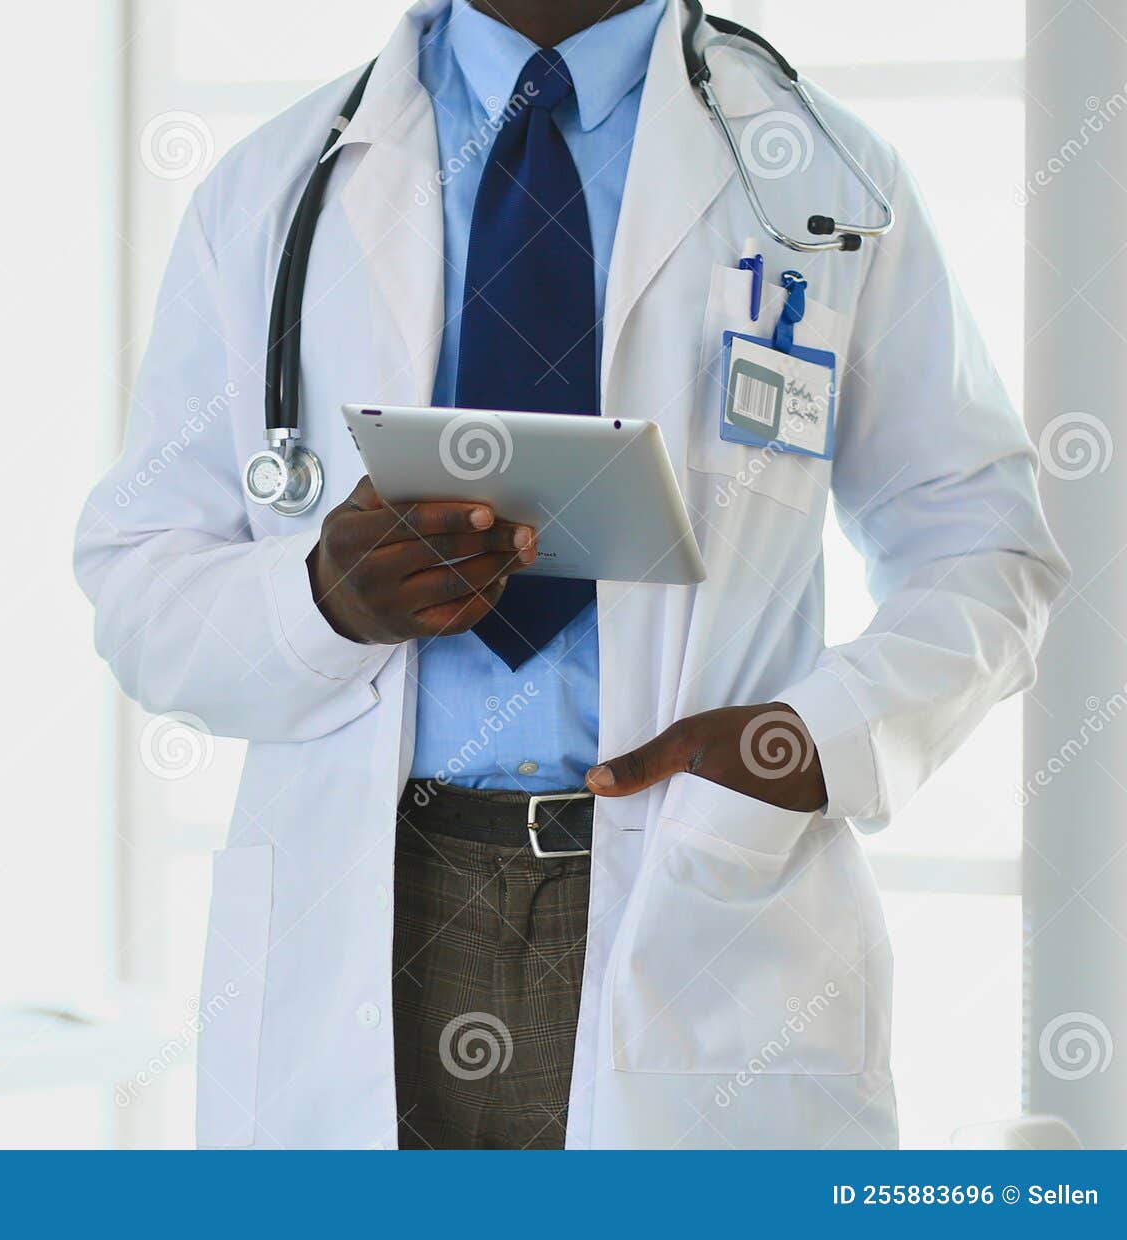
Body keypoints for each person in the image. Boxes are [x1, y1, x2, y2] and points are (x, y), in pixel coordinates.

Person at [75, 0, 1068, 1149]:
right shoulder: (271, 189)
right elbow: (138, 582)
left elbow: (984, 548)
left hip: (692, 888)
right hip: (376, 909)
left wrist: (812, 737)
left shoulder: (823, 180)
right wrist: (319, 603)